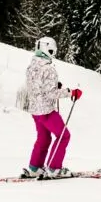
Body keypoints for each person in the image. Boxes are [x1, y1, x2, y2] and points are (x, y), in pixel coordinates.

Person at [21, 37, 82, 178]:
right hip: (46, 111)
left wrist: (54, 86)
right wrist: (71, 92)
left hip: (35, 111)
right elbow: (51, 94)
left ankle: (35, 168)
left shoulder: (31, 66)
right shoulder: (49, 69)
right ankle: (54, 168)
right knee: (64, 136)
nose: (53, 53)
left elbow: (38, 86)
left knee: (43, 138)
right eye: (52, 50)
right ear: (47, 49)